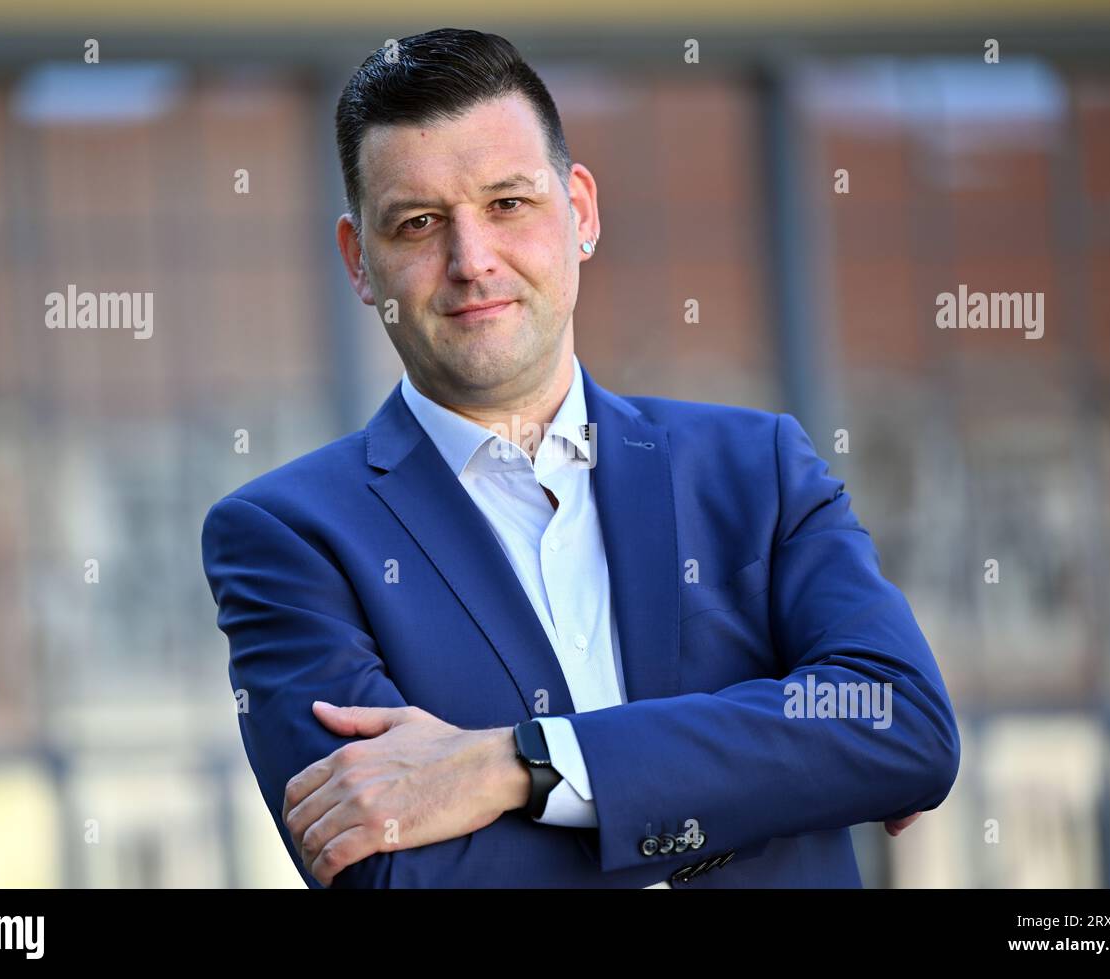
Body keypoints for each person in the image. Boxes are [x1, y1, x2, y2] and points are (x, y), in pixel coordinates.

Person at [201, 27, 955, 889]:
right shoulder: (288, 538)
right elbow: (394, 873)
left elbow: (902, 725)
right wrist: (771, 775)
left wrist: (518, 766)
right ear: (359, 263)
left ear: (582, 212)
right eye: (417, 223)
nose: (471, 260)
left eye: (508, 204)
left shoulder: (758, 470)